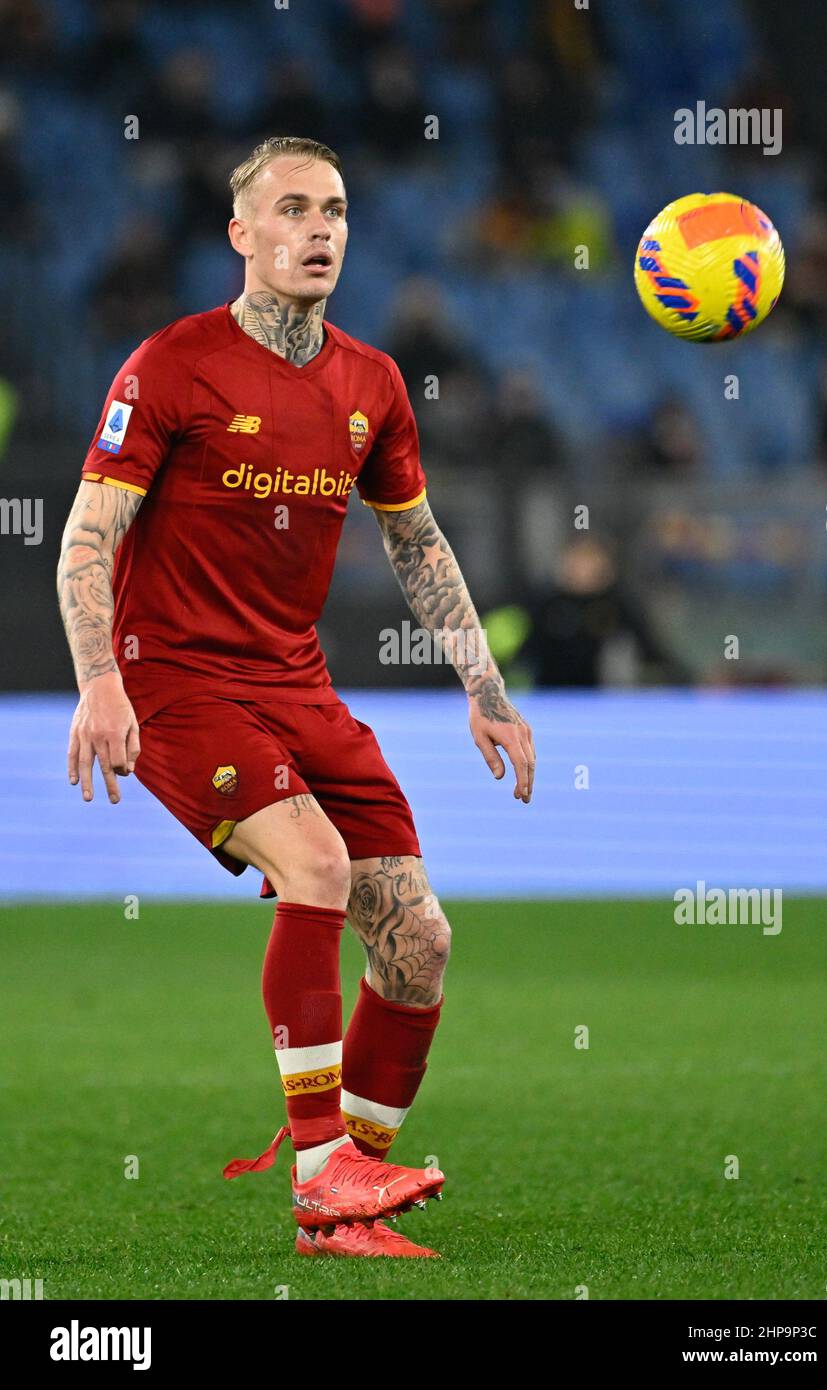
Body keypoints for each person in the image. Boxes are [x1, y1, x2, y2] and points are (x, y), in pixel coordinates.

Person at [57, 136, 535, 1259]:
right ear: (241, 236)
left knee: (417, 940)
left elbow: (416, 542)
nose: (318, 229)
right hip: (177, 680)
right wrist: (98, 681)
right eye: (291, 210)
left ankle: (349, 1199)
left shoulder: (370, 383)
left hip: (296, 683)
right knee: (315, 866)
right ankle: (323, 1173)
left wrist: (484, 682)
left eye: (334, 210)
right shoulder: (172, 365)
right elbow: (87, 534)